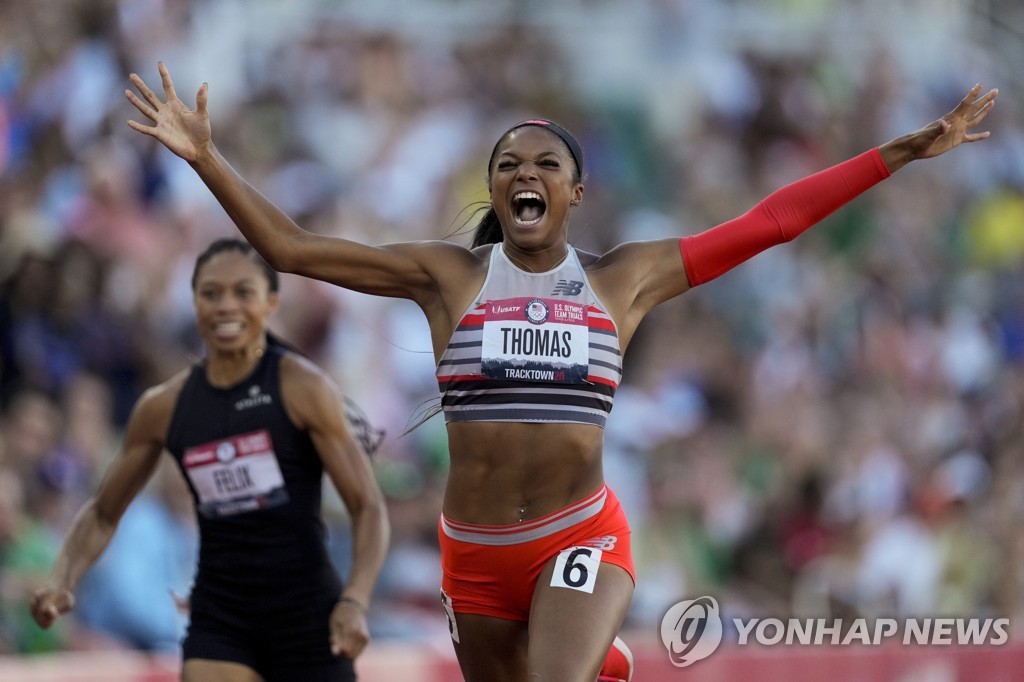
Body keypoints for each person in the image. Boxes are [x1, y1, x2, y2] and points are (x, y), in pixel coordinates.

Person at [123, 62, 996, 681]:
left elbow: (771, 221)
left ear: (576, 193)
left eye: (547, 164)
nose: (525, 174)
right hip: (474, 557)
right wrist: (204, 156)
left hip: (580, 534)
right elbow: (291, 249)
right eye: (508, 164)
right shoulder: (447, 276)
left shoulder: (625, 277)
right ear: (495, 192)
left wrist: (897, 154)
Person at [30, 238, 391, 682]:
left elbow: (367, 508)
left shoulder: (303, 388)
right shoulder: (164, 407)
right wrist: (62, 579)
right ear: (195, 302)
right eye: (211, 293)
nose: (226, 306)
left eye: (243, 293)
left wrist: (355, 601)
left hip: (306, 613)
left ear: (270, 303)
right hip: (221, 616)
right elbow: (105, 512)